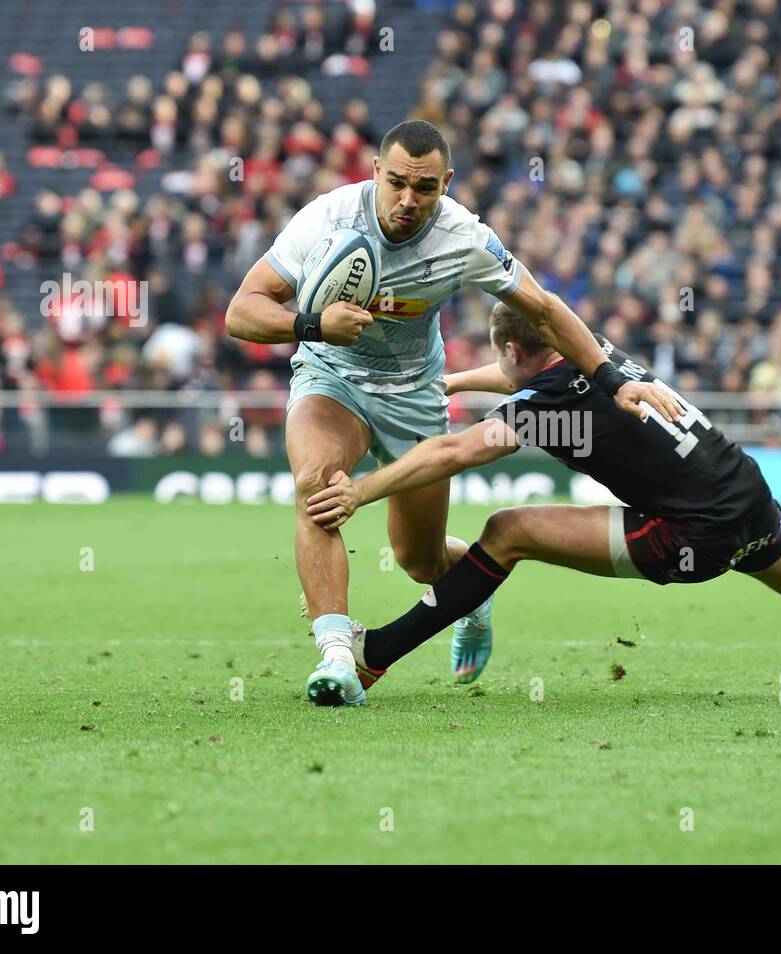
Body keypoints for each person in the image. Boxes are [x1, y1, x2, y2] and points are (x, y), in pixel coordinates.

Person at [306, 302, 781, 702]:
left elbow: (454, 452)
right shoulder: (600, 358)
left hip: (688, 534)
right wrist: (456, 383)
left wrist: (362, 489)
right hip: (745, 495)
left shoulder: (545, 399)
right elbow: (521, 375)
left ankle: (374, 656)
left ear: (515, 352)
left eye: (500, 359)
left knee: (508, 530)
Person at [225, 120, 681, 706]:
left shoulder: (464, 238)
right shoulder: (326, 219)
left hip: (415, 394)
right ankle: (338, 657)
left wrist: (611, 379)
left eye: (425, 188)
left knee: (420, 560)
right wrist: (312, 325)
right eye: (396, 182)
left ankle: (471, 596)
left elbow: (543, 310)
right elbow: (242, 311)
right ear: (375, 171)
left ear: (447, 183)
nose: (408, 200)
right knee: (318, 484)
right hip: (332, 378)